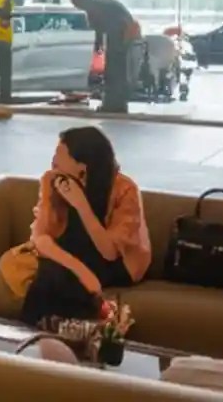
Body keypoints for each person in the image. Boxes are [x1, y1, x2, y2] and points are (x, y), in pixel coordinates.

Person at [20, 126, 151, 326]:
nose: (53, 161)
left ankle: (59, 335)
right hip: (76, 256)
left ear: (82, 166)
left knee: (57, 279)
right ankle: (38, 336)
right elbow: (40, 238)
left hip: (116, 263)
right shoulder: (52, 180)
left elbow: (109, 252)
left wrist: (80, 203)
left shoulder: (125, 189)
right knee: (52, 274)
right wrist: (84, 273)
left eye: (59, 154)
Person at [70, 0, 140, 114]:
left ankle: (113, 104)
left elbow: (99, 27)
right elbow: (98, 28)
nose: (77, 7)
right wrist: (99, 45)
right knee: (117, 69)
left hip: (121, 32)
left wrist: (99, 44)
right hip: (122, 32)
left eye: (76, 4)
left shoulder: (95, 7)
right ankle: (116, 103)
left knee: (114, 69)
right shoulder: (96, 4)